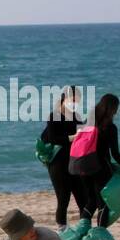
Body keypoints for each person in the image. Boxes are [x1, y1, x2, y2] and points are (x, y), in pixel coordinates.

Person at [73, 93, 120, 229]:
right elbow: (115, 153)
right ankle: (100, 233)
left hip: (83, 166)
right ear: (112, 109)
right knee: (103, 203)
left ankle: (82, 229)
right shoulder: (110, 128)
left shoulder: (88, 123)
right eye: (116, 108)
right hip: (100, 168)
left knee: (91, 201)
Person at [40, 87, 83, 229]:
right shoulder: (54, 116)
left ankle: (85, 226)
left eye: (78, 100)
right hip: (57, 163)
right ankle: (62, 229)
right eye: (73, 99)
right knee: (63, 198)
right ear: (65, 99)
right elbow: (53, 138)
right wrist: (73, 138)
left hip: (74, 161)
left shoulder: (76, 116)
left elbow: (82, 135)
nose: (76, 103)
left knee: (83, 197)